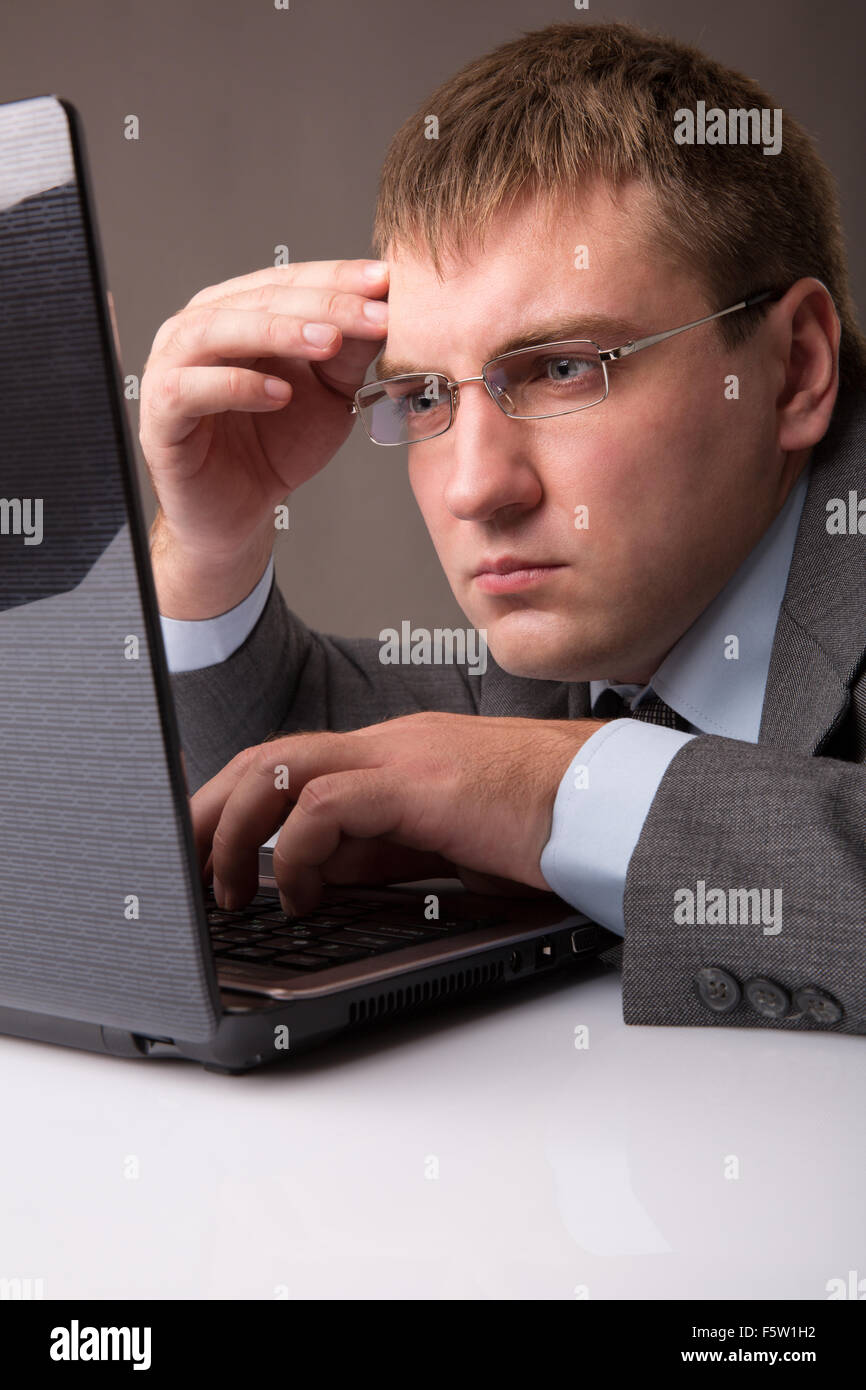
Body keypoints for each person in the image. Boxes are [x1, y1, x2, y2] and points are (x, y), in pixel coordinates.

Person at [140, 20, 866, 1035]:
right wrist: (210, 544)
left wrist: (555, 786)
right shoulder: (571, 650)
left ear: (790, 369)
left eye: (565, 366)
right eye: (426, 395)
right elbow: (304, 760)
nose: (475, 486)